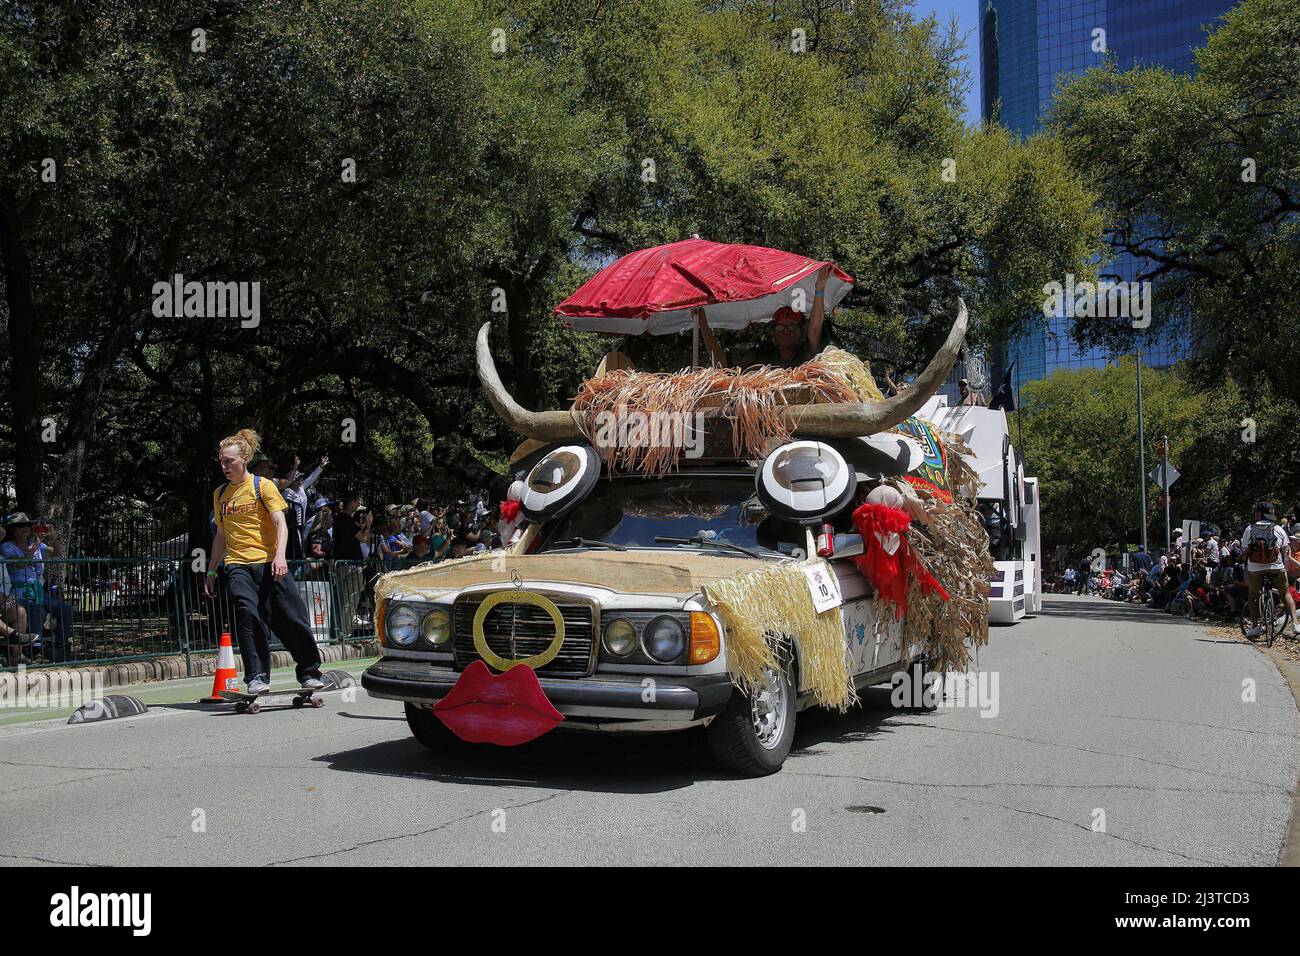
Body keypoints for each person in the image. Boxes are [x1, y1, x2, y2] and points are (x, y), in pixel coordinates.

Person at [204, 428, 324, 695]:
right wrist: (211, 571)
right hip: (237, 565)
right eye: (221, 461)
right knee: (247, 615)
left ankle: (309, 671)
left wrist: (280, 556)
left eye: (229, 461)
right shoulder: (220, 494)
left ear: (244, 459)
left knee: (291, 619)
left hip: (270, 562)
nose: (224, 466)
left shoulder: (263, 486)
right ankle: (257, 676)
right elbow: (221, 535)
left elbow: (281, 521)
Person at [0, 513, 73, 662]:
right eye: (21, 526)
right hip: (16, 593)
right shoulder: (6, 547)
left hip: (37, 592)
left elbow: (56, 554)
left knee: (65, 609)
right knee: (35, 609)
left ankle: (60, 648)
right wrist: (33, 549)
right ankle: (35, 650)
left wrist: (53, 538)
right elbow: (19, 564)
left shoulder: (37, 543)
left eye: (28, 525)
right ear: (13, 530)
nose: (26, 528)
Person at [1239, 501, 1298, 637]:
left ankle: (1254, 627)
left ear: (1258, 514)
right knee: (1285, 593)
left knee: (1253, 595)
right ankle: (1296, 624)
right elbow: (1285, 552)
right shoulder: (1278, 529)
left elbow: (1245, 552)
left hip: (1255, 568)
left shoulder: (1249, 529)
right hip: (1276, 567)